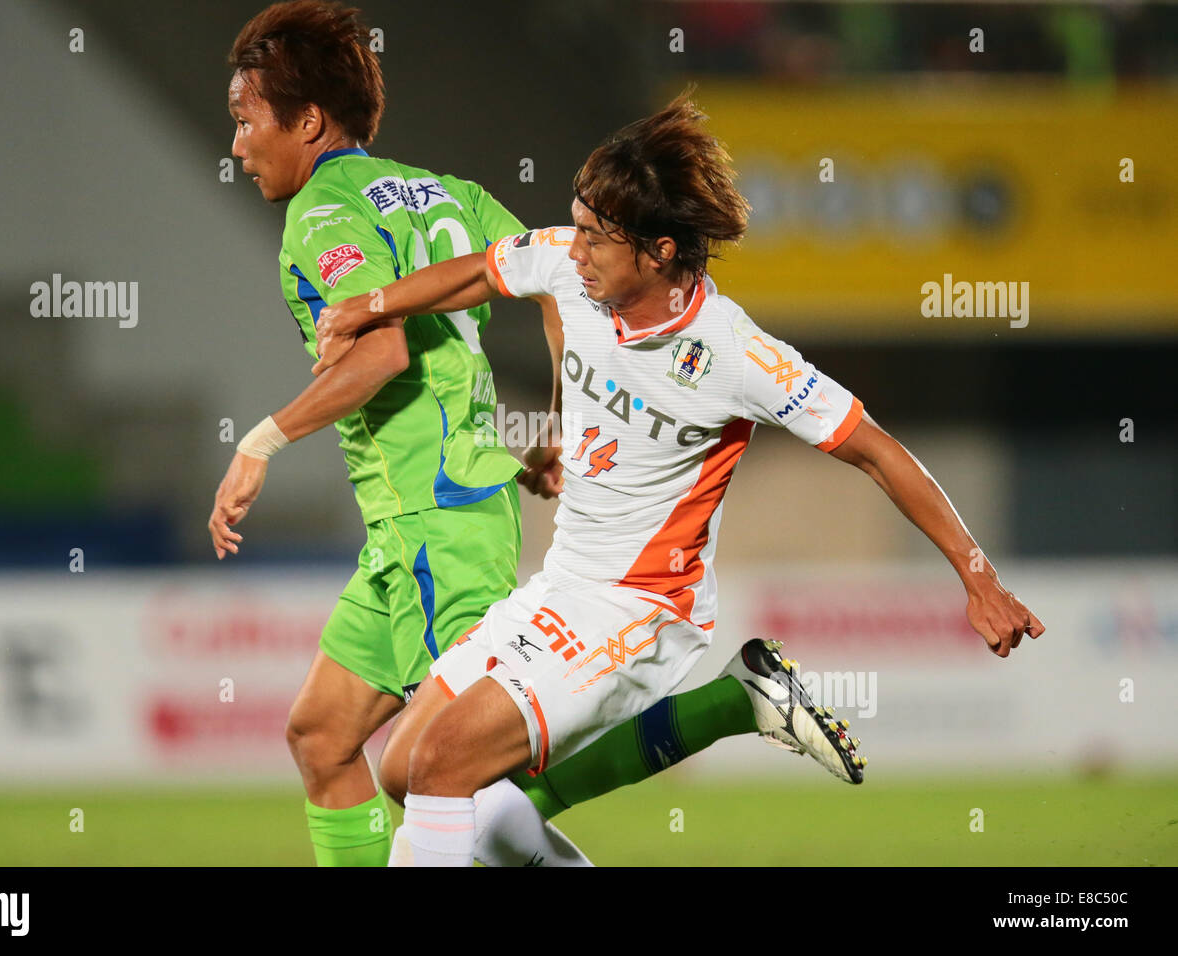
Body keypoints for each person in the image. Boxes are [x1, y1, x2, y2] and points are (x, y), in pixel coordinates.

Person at [210, 1, 871, 869]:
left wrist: (261, 440)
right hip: (425, 522)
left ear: (307, 121)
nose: (236, 144)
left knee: (467, 776)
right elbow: (563, 288)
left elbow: (380, 354)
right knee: (324, 738)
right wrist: (565, 419)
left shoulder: (322, 216)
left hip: (435, 523)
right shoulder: (444, 191)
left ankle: (724, 704)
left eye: (245, 120)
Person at [313, 94, 1045, 866]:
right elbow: (484, 273)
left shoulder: (734, 354)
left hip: (643, 611)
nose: (577, 248)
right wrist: (369, 304)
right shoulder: (574, 267)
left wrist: (978, 575)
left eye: (597, 237)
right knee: (403, 769)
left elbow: (879, 451)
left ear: (659, 252)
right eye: (578, 226)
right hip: (564, 586)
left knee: (442, 765)